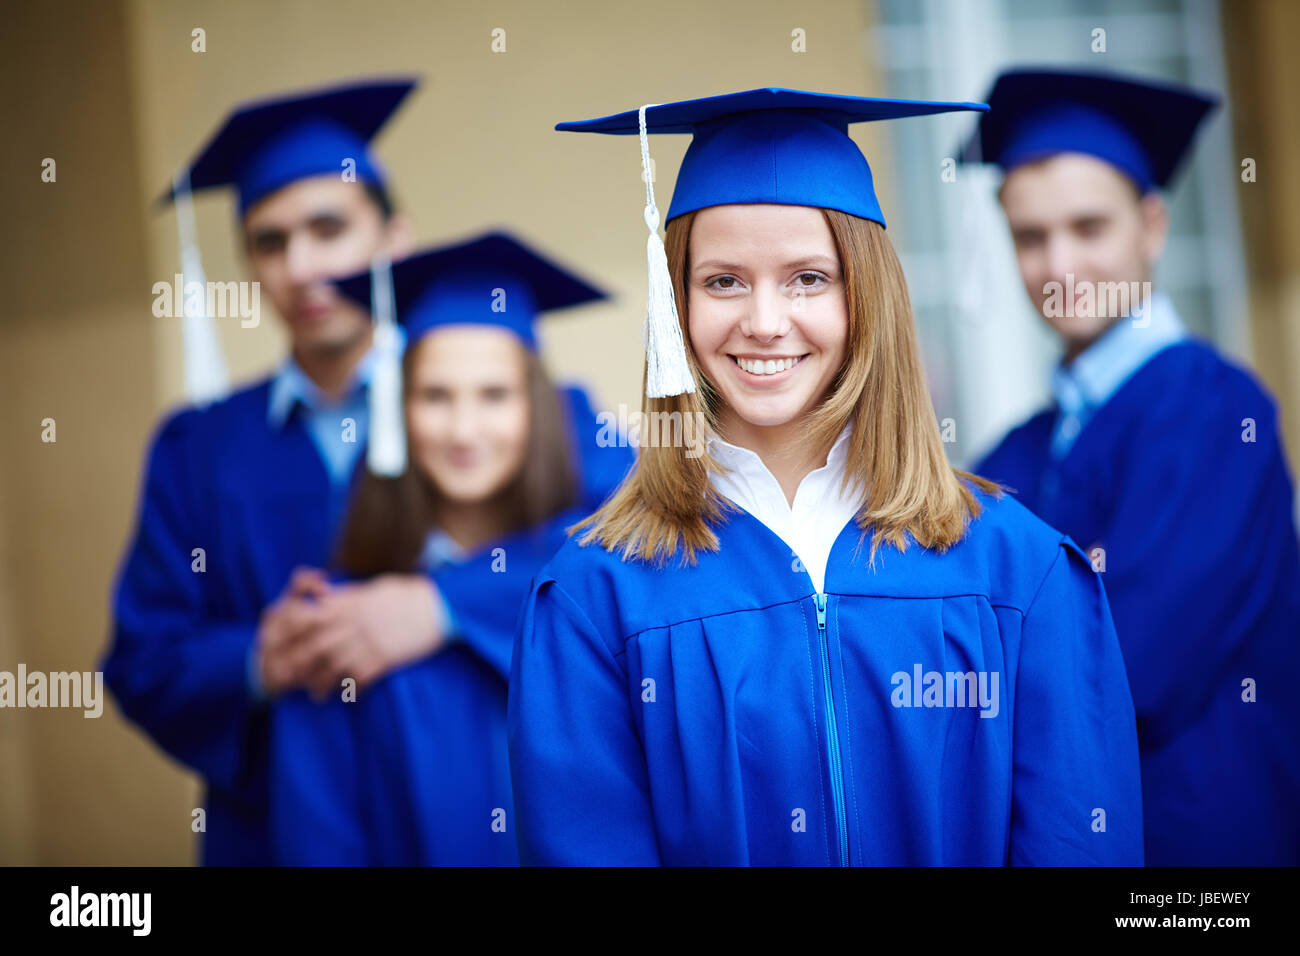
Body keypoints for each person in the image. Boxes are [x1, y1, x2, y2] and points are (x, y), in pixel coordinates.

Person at [507, 88, 1145, 865]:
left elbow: (1076, 842)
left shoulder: (1019, 568)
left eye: (809, 278)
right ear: (675, 304)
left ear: (865, 296)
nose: (766, 321)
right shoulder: (596, 597)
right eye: (723, 281)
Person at [102, 78, 445, 865]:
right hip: (278, 835)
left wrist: (440, 606)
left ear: (395, 239)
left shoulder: (488, 407)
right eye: (270, 241)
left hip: (461, 813)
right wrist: (262, 658)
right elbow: (142, 663)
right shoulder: (197, 448)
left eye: (330, 228)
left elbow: (591, 570)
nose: (301, 266)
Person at [965, 68, 1300, 866]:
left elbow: (1134, 665)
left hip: (1203, 851)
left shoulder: (1215, 410)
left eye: (1089, 228)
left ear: (1151, 225)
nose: (1060, 265)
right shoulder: (1020, 448)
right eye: (1031, 237)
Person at [264, 231, 632, 864]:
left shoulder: (602, 595)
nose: (463, 430)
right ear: (397, 411)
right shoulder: (347, 629)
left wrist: (442, 607)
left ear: (539, 410)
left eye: (494, 395)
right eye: (435, 396)